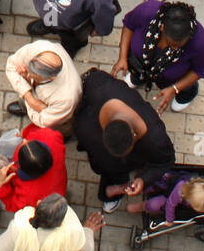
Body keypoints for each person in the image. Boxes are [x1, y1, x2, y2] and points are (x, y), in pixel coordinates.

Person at [73, 67, 175, 211]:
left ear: (135, 136)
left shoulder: (155, 139)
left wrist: (143, 179)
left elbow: (165, 161)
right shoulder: (85, 124)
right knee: (113, 174)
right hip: (109, 167)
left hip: (127, 161)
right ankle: (111, 193)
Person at [112, 0, 204, 113]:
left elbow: (201, 70)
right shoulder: (147, 10)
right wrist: (122, 58)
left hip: (174, 80)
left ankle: (186, 93)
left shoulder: (202, 43)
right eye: (171, 44)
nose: (173, 49)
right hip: (143, 65)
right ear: (162, 27)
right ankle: (139, 76)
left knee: (181, 81)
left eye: (179, 46)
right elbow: (129, 24)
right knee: (138, 67)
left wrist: (174, 88)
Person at [0, 193, 101, 251]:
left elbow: (2, 250)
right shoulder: (72, 232)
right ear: (60, 222)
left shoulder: (19, 226)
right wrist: (87, 231)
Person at [4, 38, 83, 127]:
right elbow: (11, 65)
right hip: (41, 102)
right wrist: (29, 98)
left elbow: (42, 120)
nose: (28, 76)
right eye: (29, 70)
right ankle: (26, 107)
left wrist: (29, 96)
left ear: (52, 77)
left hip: (59, 117)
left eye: (34, 76)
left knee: (59, 128)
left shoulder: (66, 99)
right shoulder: (40, 48)